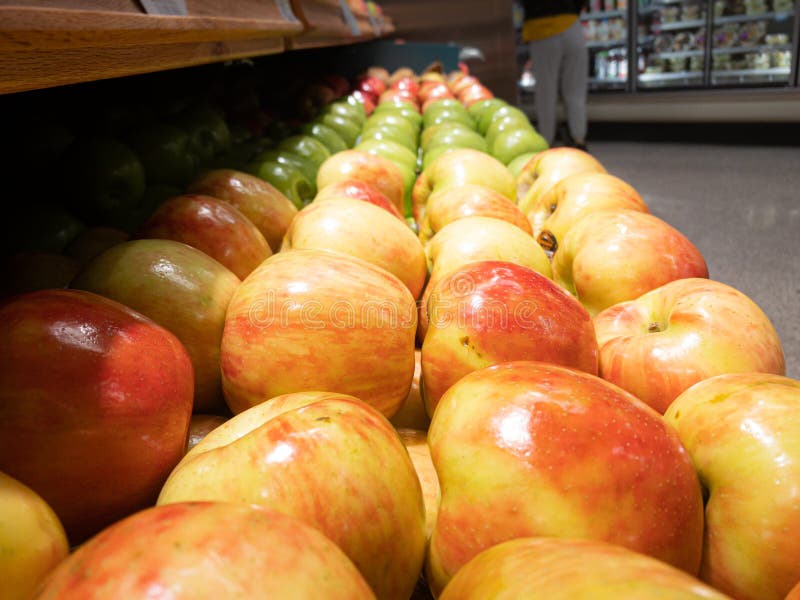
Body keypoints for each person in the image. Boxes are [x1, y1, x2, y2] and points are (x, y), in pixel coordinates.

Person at [521, 0, 590, 150]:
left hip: (541, 29)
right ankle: (579, 139)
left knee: (546, 93)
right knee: (575, 91)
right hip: (571, 25)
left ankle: (546, 141)